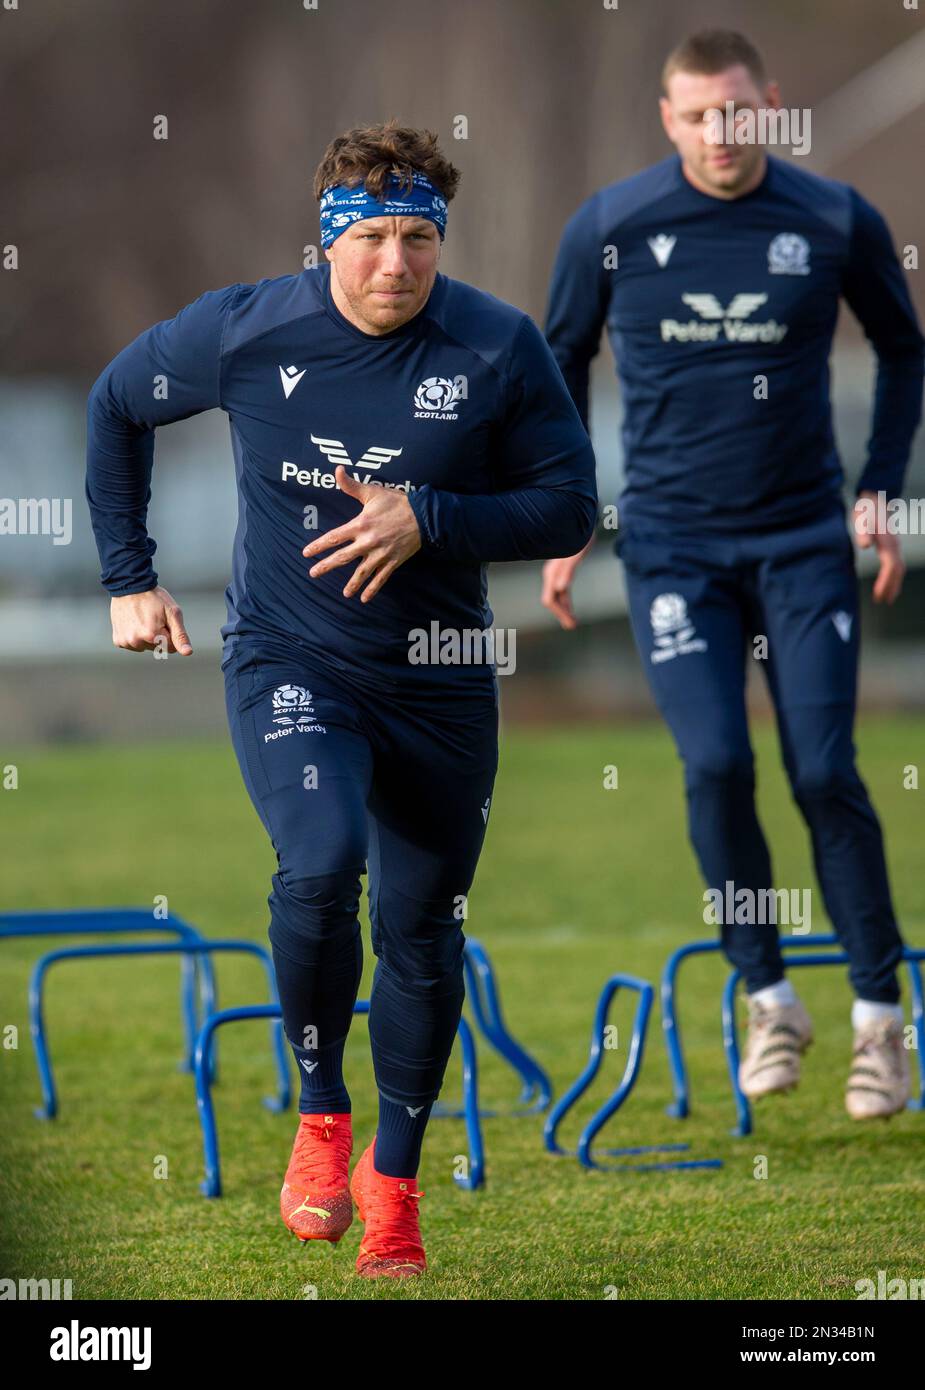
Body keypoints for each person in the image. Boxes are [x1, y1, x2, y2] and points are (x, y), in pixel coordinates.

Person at [86, 120, 596, 1277]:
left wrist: (435, 517)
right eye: (370, 236)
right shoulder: (245, 328)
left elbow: (569, 507)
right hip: (292, 660)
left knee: (421, 933)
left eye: (419, 237)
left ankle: (397, 1181)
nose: (397, 263)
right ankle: (323, 1114)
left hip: (442, 680)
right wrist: (129, 576)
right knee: (317, 864)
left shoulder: (499, 347)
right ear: (324, 244)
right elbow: (116, 406)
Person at [541, 30, 923, 1118]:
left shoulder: (833, 217)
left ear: (771, 107)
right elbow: (555, 358)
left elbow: (904, 348)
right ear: (668, 119)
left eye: (737, 111)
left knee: (820, 772)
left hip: (804, 542)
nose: (719, 133)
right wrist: (570, 516)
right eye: (697, 114)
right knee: (713, 764)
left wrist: (876, 487)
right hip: (670, 549)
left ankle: (879, 1021)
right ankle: (768, 994)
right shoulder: (611, 226)